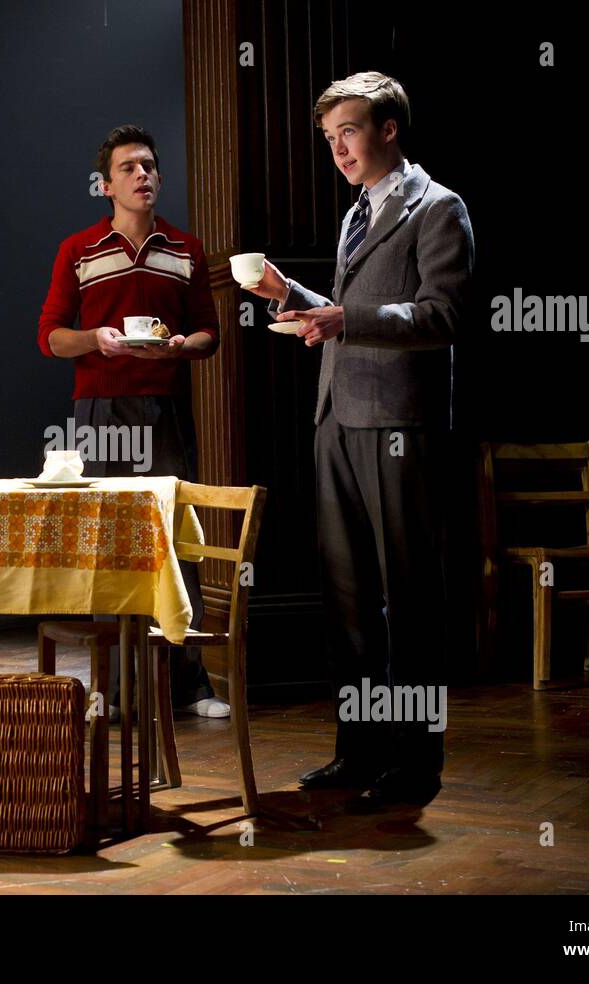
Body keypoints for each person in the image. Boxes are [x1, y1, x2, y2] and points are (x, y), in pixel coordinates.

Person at [246, 72, 473, 808]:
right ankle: (360, 749)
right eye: (329, 136)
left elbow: (442, 317)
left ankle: (415, 764)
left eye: (348, 130)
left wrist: (344, 319)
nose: (338, 147)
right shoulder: (354, 214)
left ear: (388, 128)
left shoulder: (439, 208)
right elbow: (351, 309)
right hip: (337, 422)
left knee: (410, 601)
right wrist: (292, 296)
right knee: (349, 603)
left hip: (400, 428)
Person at [37, 124, 226, 718]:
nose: (142, 175)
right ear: (106, 184)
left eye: (149, 166)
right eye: (128, 168)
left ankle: (190, 685)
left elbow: (208, 335)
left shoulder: (187, 249)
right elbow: (50, 338)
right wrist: (96, 339)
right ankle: (111, 690)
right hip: (98, 410)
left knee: (174, 537)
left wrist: (176, 348)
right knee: (108, 546)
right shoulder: (78, 249)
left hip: (165, 406)